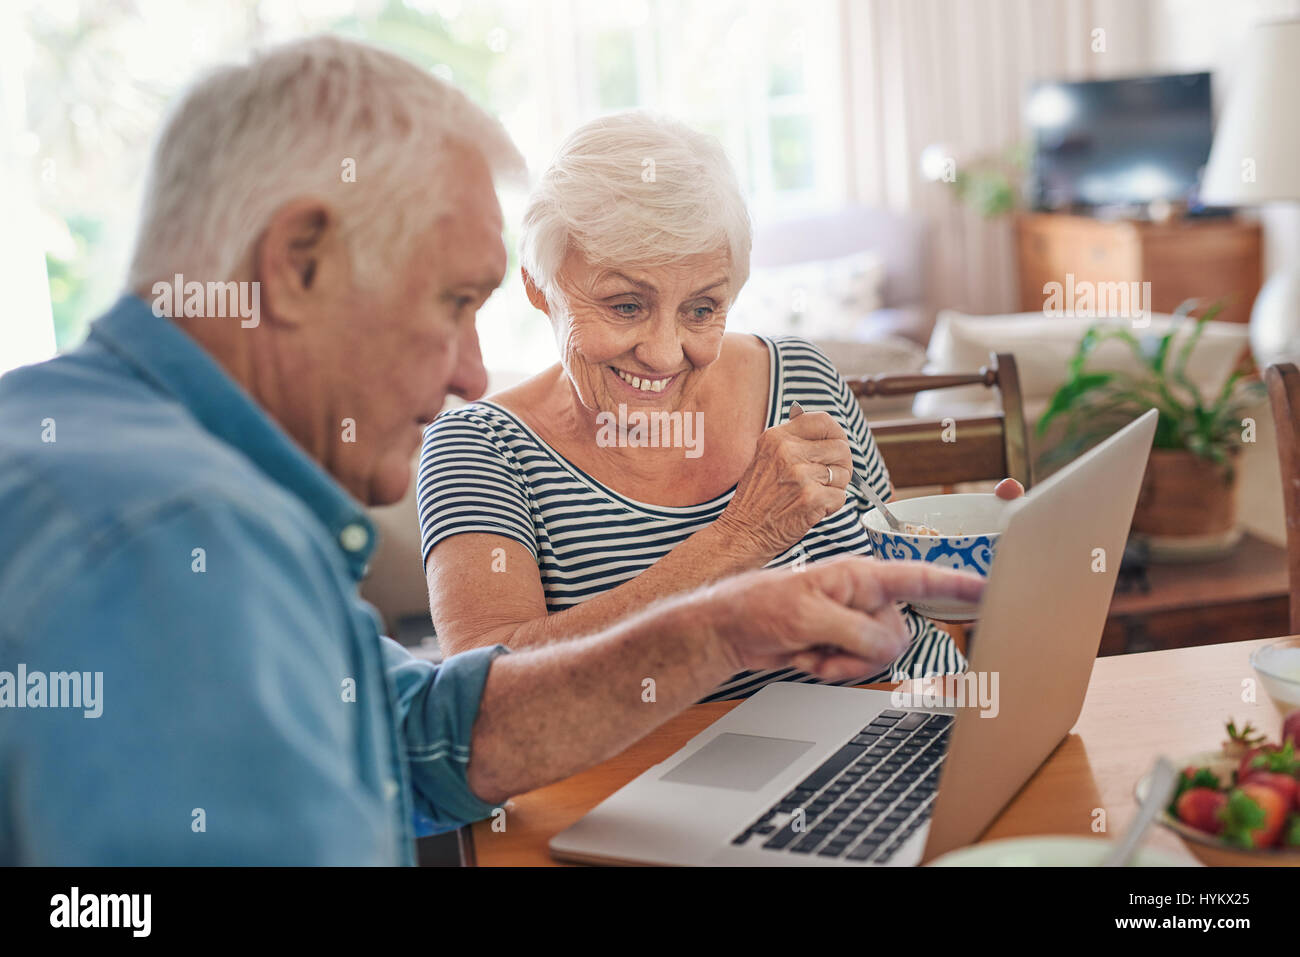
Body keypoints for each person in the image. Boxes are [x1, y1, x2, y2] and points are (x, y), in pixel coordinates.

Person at [0, 36, 986, 865]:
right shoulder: (172, 531)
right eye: (452, 303)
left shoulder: (119, 459)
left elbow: (420, 738)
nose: (472, 372)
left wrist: (726, 629)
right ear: (297, 264)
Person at [419, 111, 1022, 700]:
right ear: (538, 286)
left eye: (701, 309)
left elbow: (900, 584)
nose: (663, 353)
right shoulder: (479, 449)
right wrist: (739, 538)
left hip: (917, 711)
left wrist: (983, 556)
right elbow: (482, 700)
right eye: (626, 306)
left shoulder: (803, 376)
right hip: (668, 773)